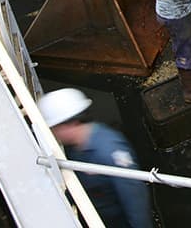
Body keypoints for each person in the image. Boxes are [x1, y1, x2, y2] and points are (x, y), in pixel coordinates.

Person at [38, 88, 151, 228]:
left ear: (68, 124)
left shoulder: (109, 151)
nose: (53, 133)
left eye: (54, 128)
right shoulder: (74, 148)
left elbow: (135, 199)